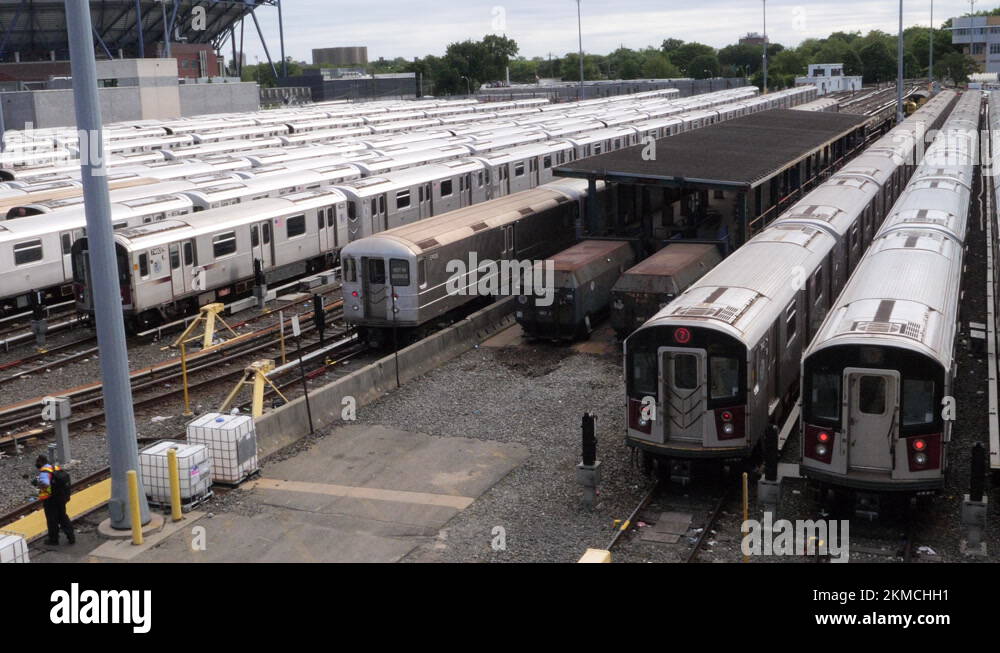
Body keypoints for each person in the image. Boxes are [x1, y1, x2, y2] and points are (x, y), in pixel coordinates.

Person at [34, 455, 75, 545]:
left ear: (40, 463)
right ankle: (71, 536)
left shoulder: (44, 472)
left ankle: (53, 540)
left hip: (51, 500)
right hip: (62, 497)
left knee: (52, 520)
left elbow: (45, 484)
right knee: (63, 517)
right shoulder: (55, 467)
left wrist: (38, 483)